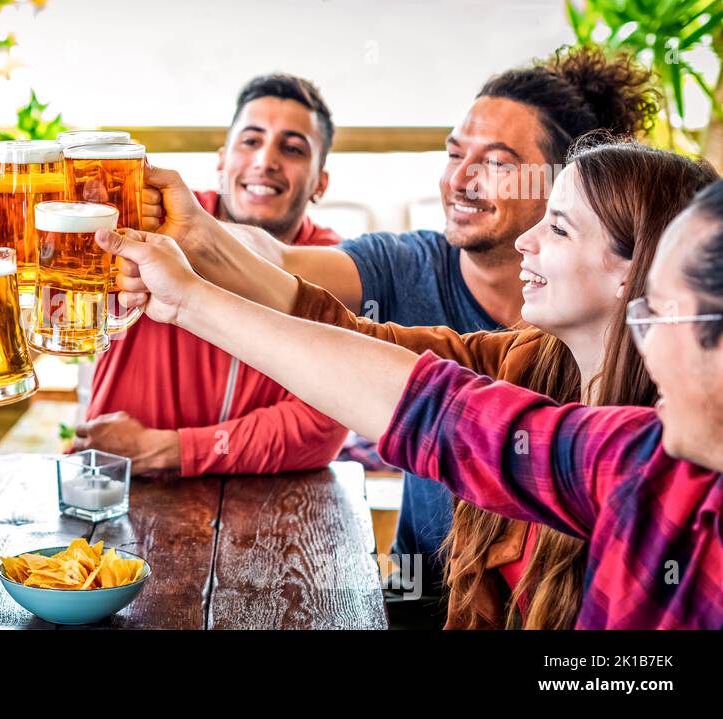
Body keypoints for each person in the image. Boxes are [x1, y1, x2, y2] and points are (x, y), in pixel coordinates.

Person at [96, 178, 723, 628]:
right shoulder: (563, 392)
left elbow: (430, 411)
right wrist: (194, 270)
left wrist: (189, 299)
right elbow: (393, 375)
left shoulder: (643, 470)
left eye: (660, 314)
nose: (524, 243)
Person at [159, 47, 660, 604]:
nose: (460, 180)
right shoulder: (516, 353)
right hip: (423, 596)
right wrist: (194, 248)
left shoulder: (652, 444)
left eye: (497, 163)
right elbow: (342, 326)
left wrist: (189, 296)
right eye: (453, 153)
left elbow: (434, 408)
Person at [76, 73, 346, 477]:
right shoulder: (153, 219)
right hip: (115, 488)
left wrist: (167, 450)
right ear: (222, 160)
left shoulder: (336, 268)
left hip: (264, 505)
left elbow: (320, 426)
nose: (265, 160)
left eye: (292, 149)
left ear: (319, 183)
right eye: (250, 141)